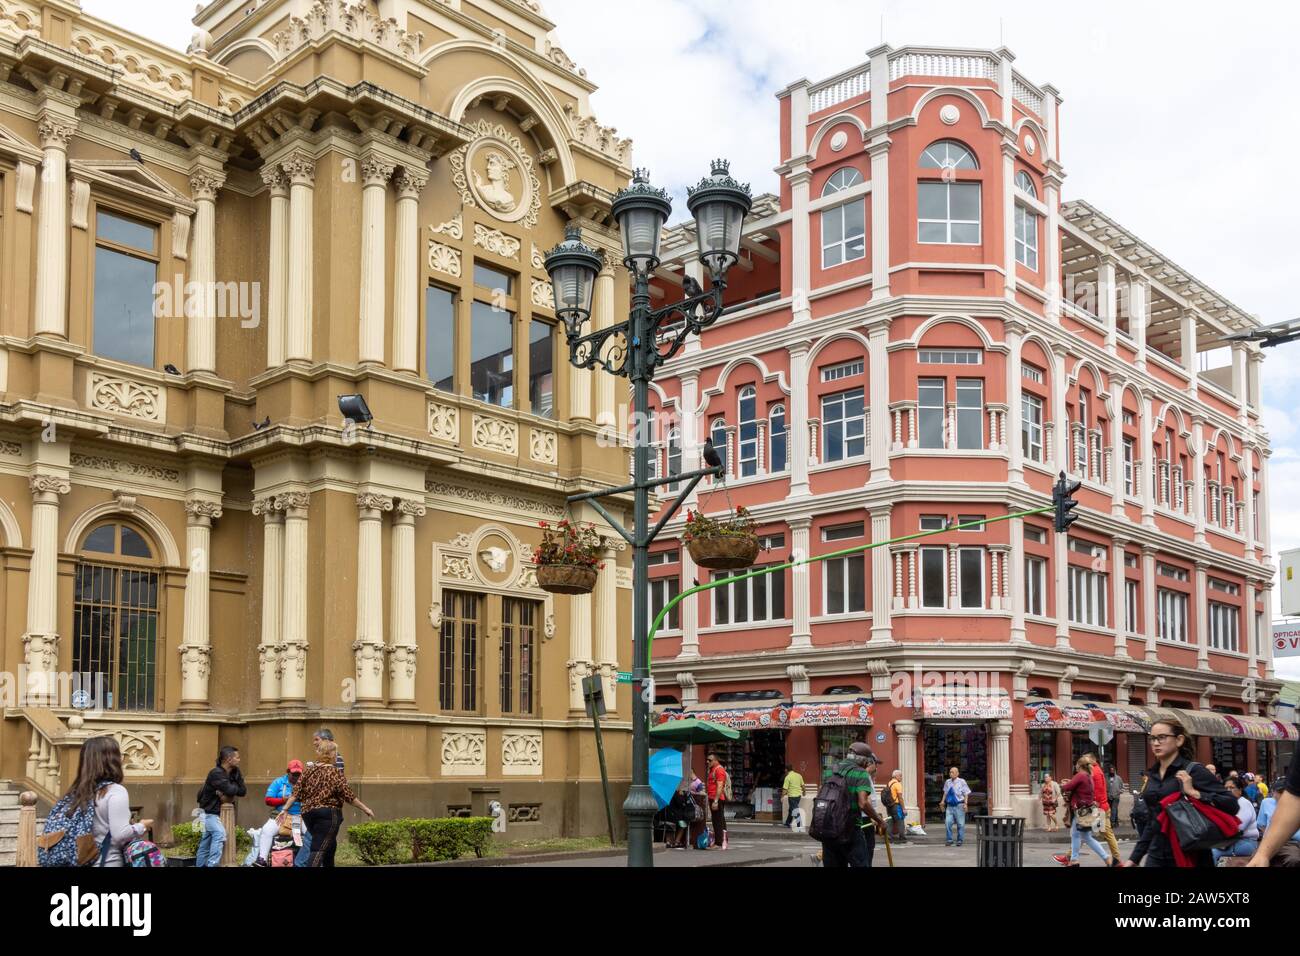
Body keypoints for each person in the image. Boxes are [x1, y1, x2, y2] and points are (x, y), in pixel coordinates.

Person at [1121, 719, 1237, 868]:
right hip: (1157, 854)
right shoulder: (1153, 775)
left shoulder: (1194, 771)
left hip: (1191, 853)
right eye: (1152, 738)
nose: (1156, 743)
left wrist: (1194, 793)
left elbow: (1231, 804)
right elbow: (1154, 821)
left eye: (1162, 737)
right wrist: (1134, 858)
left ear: (1179, 740)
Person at [58, 736, 154, 868]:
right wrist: (142, 826)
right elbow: (120, 834)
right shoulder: (115, 791)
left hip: (78, 861)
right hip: (107, 861)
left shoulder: (75, 793)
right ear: (112, 761)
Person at [300, 738, 373, 866]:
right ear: (332, 753)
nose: (337, 755)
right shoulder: (334, 772)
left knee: (329, 844)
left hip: (308, 813)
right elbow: (348, 795)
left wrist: (285, 809)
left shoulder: (309, 771)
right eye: (336, 753)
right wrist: (365, 808)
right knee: (319, 848)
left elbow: (297, 792)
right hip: (328, 814)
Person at [818, 742, 886, 868]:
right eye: (868, 761)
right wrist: (879, 820)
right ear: (863, 760)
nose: (868, 764)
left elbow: (822, 794)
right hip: (850, 828)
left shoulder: (830, 770)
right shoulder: (860, 773)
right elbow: (863, 803)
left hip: (829, 828)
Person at [1055, 756, 1112, 867]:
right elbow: (1078, 787)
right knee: (1081, 836)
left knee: (1082, 836)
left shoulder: (1080, 775)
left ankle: (1104, 858)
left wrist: (1061, 784)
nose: (1075, 766)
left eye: (1076, 764)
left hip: (1082, 811)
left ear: (1079, 765)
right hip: (1087, 810)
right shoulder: (1088, 776)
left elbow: (1067, 787)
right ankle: (1075, 860)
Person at [196, 745, 246, 867]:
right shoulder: (215, 773)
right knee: (219, 834)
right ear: (229, 759)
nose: (239, 760)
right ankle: (212, 864)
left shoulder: (235, 772)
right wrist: (231, 789)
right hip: (208, 813)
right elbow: (231, 789)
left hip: (218, 813)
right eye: (237, 757)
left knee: (206, 842)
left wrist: (228, 790)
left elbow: (243, 791)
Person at [1248, 760, 1300, 866]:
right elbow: (1261, 825)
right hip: (1268, 841)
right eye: (1279, 792)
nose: (1282, 795)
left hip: (1291, 842)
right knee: (1255, 859)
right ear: (1273, 792)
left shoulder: (1295, 802)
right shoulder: (1266, 802)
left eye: (1285, 792)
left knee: (1294, 860)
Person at [255, 759, 304, 866]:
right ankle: (262, 859)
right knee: (267, 830)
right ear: (288, 772)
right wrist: (284, 800)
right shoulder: (279, 782)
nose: (296, 777)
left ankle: (310, 861)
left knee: (310, 833)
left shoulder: (306, 783)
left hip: (300, 816)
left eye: (298, 774)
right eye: (294, 774)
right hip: (281, 814)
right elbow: (268, 800)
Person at [1084, 754, 1122, 866]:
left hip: (1098, 809)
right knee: (1085, 833)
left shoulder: (1095, 772)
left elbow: (1099, 791)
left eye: (1086, 759)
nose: (1083, 760)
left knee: (1084, 832)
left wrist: (1095, 804)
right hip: (1099, 808)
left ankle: (1117, 859)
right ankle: (1116, 859)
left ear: (1092, 760)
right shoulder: (1095, 771)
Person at [1212, 776, 1260, 864]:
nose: (1228, 790)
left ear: (1240, 790)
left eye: (1232, 787)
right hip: (1229, 841)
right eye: (1226, 788)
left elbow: (1237, 828)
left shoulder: (1244, 803)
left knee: (1212, 853)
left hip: (1246, 842)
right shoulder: (1227, 803)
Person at [940, 766, 970, 847]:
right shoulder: (948, 782)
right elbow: (945, 793)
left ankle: (959, 840)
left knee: (960, 824)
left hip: (959, 805)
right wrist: (942, 801)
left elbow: (966, 793)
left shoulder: (962, 781)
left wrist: (965, 804)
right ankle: (949, 840)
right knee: (948, 823)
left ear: (957, 773)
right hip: (949, 806)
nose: (950, 773)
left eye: (952, 772)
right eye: (950, 772)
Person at [705, 752, 729, 850]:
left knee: (717, 821)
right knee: (719, 820)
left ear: (715, 760)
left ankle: (718, 843)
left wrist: (715, 801)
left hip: (717, 799)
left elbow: (719, 786)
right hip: (713, 798)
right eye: (707, 760)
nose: (707, 762)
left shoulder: (719, 770)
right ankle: (723, 841)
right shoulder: (712, 769)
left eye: (710, 760)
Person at [886, 769, 908, 843]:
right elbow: (900, 797)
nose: (901, 777)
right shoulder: (897, 784)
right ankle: (902, 838)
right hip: (896, 806)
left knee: (890, 821)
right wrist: (903, 808)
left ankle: (888, 838)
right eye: (900, 776)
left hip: (889, 806)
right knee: (900, 821)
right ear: (896, 776)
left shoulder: (889, 783)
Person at [781, 763, 805, 828]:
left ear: (786, 770)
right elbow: (803, 786)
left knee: (794, 810)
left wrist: (782, 797)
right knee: (791, 809)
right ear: (792, 769)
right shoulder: (799, 775)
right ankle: (787, 823)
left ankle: (799, 824)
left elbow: (785, 789)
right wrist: (804, 792)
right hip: (798, 796)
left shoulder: (788, 777)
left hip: (792, 796)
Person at [1106, 764, 1123, 829]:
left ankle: (1112, 822)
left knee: (1113, 809)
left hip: (1116, 796)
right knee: (1113, 809)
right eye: (1111, 770)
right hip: (1109, 796)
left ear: (1115, 770)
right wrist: (1107, 794)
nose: (1112, 771)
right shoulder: (1106, 778)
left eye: (1113, 770)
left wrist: (1119, 792)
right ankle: (1116, 822)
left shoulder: (1118, 778)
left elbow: (1122, 787)